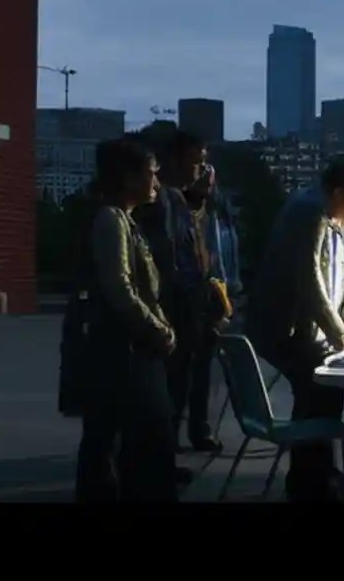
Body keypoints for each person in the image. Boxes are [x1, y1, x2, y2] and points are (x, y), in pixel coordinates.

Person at [249, 159, 344, 502]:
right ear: (339, 193)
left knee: (326, 394)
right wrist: (340, 337)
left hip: (315, 333)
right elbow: (309, 281)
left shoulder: (339, 217)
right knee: (317, 392)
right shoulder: (308, 213)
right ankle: (309, 482)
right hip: (288, 329)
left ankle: (319, 475)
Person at [75, 137, 179, 502]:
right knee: (144, 440)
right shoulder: (111, 220)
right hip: (123, 353)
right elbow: (120, 287)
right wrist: (157, 328)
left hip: (130, 349)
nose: (157, 183)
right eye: (151, 173)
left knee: (122, 441)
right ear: (128, 177)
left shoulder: (125, 220)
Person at [136, 131, 226, 454]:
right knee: (178, 374)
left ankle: (193, 430)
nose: (200, 169)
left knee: (197, 370)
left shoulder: (190, 202)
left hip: (198, 295)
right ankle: (168, 441)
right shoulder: (164, 202)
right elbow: (171, 253)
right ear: (174, 162)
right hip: (178, 299)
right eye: (195, 162)